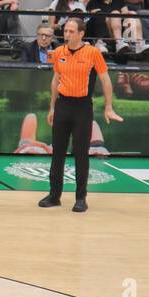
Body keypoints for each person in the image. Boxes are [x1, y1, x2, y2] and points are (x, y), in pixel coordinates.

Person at [38, 17, 123, 213]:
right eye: (65, 31)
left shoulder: (93, 53)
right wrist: (52, 107)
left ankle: (81, 198)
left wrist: (108, 107)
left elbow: (105, 80)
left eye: (71, 31)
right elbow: (55, 80)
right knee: (57, 152)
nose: (66, 34)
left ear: (81, 33)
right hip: (62, 106)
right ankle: (54, 195)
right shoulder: (59, 51)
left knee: (80, 154)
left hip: (82, 108)